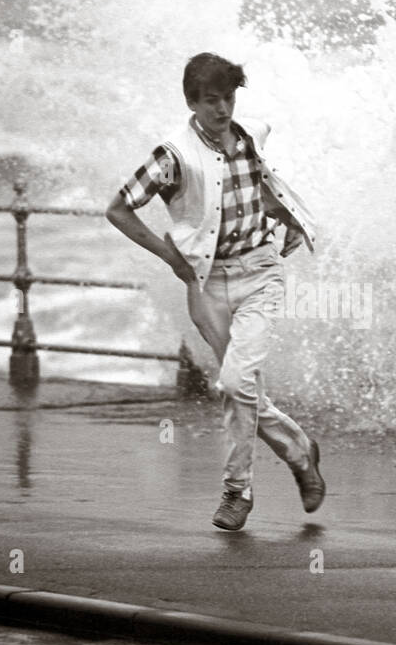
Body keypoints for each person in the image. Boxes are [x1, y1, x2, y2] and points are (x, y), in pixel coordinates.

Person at [106, 52, 325, 531]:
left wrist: (288, 216)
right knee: (240, 387)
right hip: (206, 284)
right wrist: (170, 258)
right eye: (211, 101)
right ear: (191, 102)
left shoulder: (251, 133)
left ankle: (236, 492)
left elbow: (257, 184)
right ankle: (300, 453)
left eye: (228, 98)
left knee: (233, 384)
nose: (222, 109)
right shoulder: (173, 156)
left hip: (261, 272)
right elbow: (119, 209)